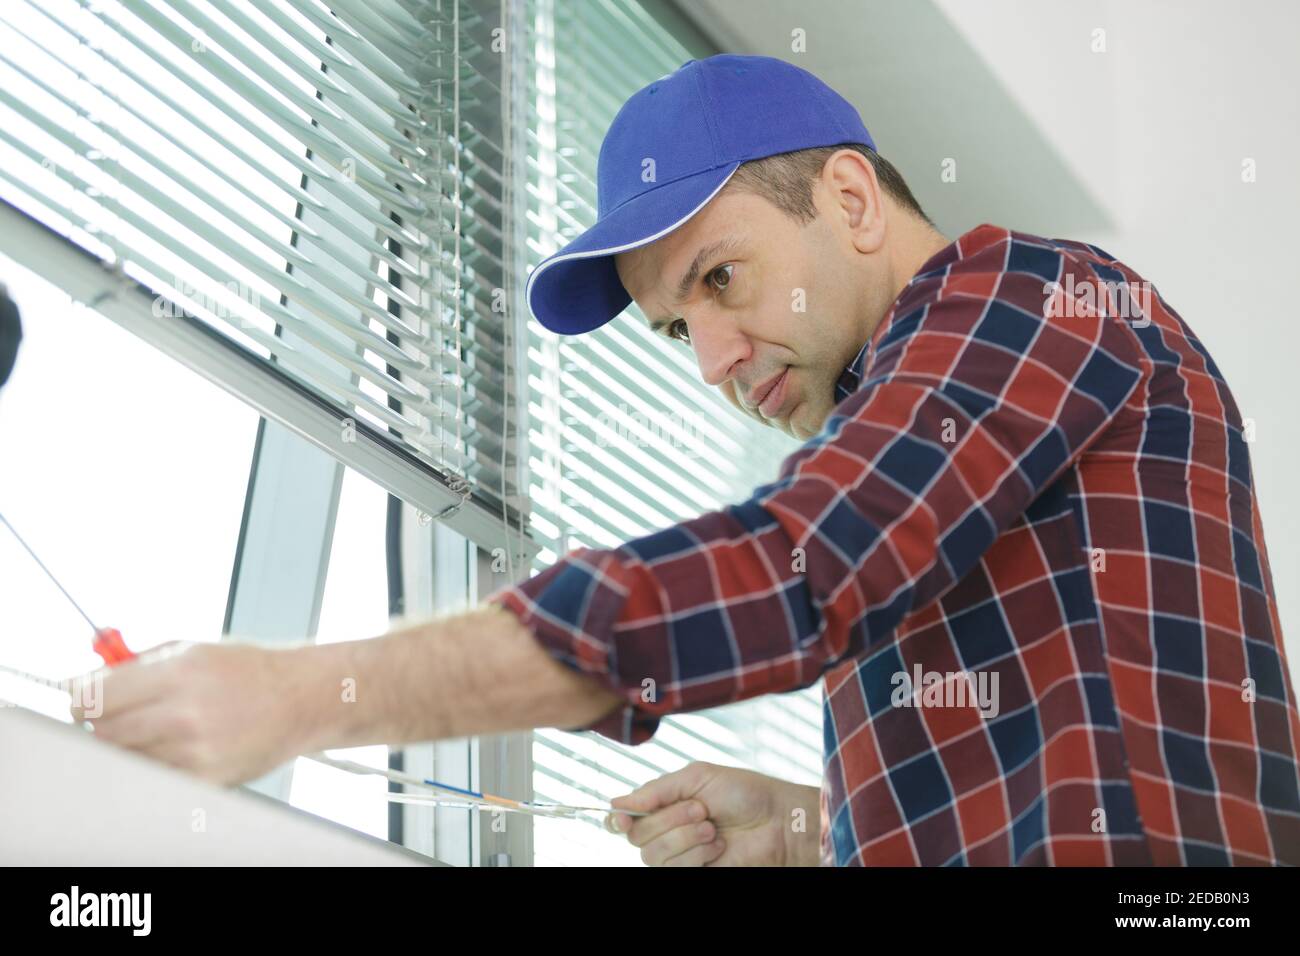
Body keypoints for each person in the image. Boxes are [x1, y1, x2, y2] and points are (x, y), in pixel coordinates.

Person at [71, 54, 1299, 866]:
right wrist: (815, 828)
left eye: (722, 278)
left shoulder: (1038, 296)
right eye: (677, 328)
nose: (711, 356)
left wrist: (294, 695)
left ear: (852, 202)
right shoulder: (923, 430)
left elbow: (793, 573)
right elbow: (1054, 761)